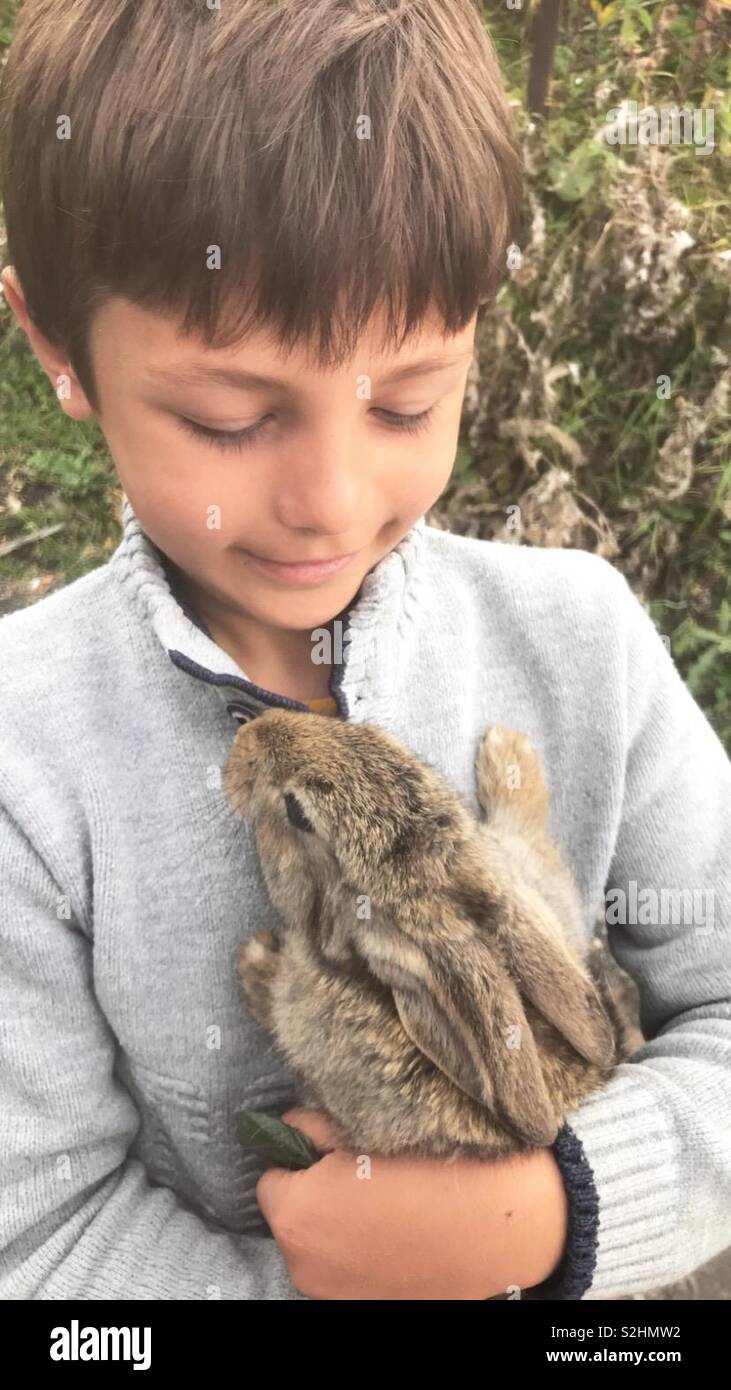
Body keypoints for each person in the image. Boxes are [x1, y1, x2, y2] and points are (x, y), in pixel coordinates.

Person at [0, 0, 729, 1301]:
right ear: (57, 347)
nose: (333, 500)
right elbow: (37, 1232)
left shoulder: (583, 647)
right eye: (228, 416)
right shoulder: (25, 759)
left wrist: (561, 1208)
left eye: (408, 401)